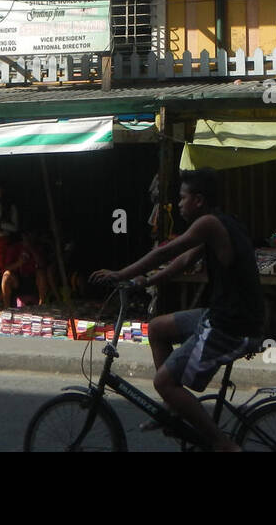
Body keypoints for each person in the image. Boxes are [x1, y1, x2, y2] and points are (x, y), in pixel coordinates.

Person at [91, 168, 264, 453]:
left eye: (182, 198)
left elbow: (165, 252)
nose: (178, 204)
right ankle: (173, 409)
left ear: (198, 200)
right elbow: (183, 261)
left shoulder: (208, 224)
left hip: (231, 324)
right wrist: (146, 281)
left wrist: (119, 274)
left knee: (164, 382)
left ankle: (223, 444)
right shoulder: (219, 223)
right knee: (157, 328)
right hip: (223, 315)